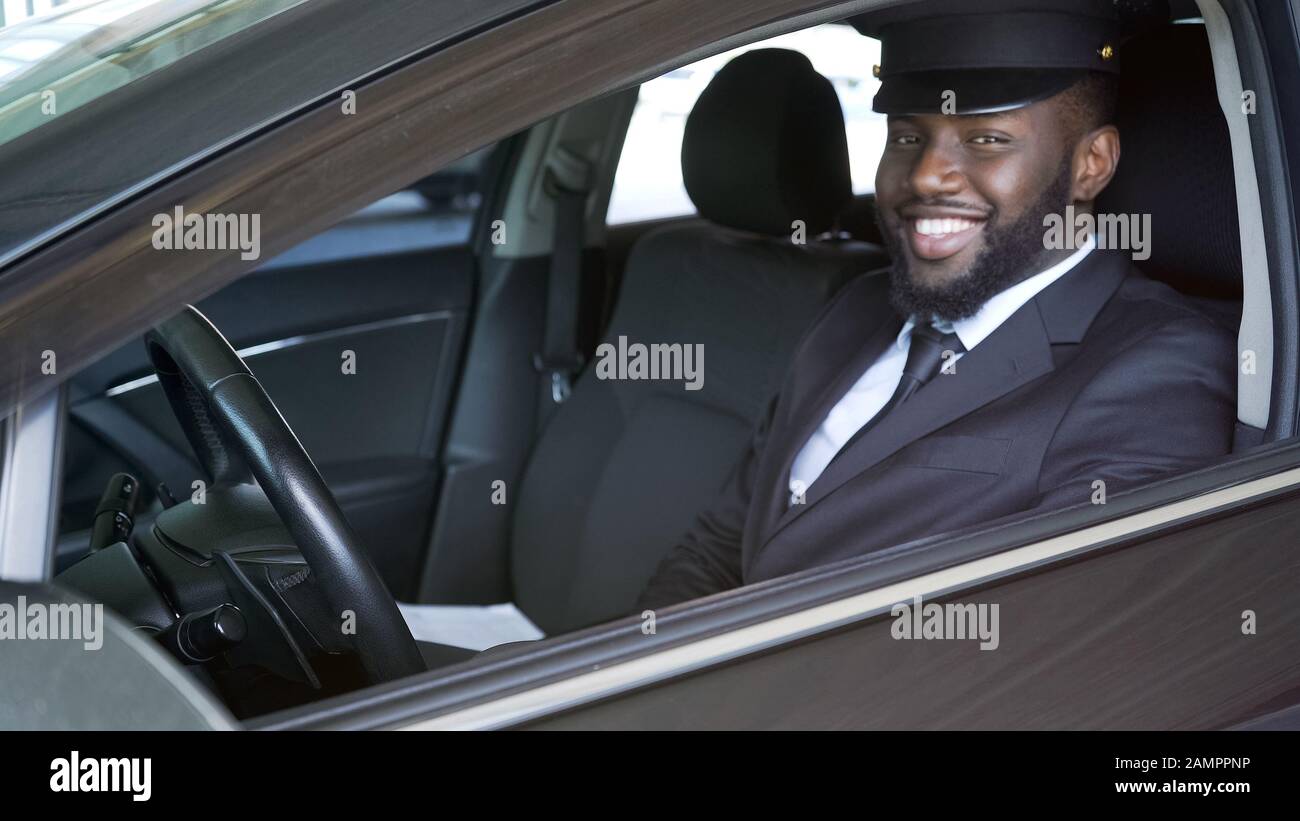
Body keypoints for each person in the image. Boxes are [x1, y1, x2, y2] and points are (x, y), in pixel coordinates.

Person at [637, 2, 1236, 607]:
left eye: (985, 139)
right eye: (906, 136)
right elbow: (720, 545)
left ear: (1091, 165)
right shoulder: (856, 306)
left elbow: (1044, 653)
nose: (926, 176)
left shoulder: (1158, 369)